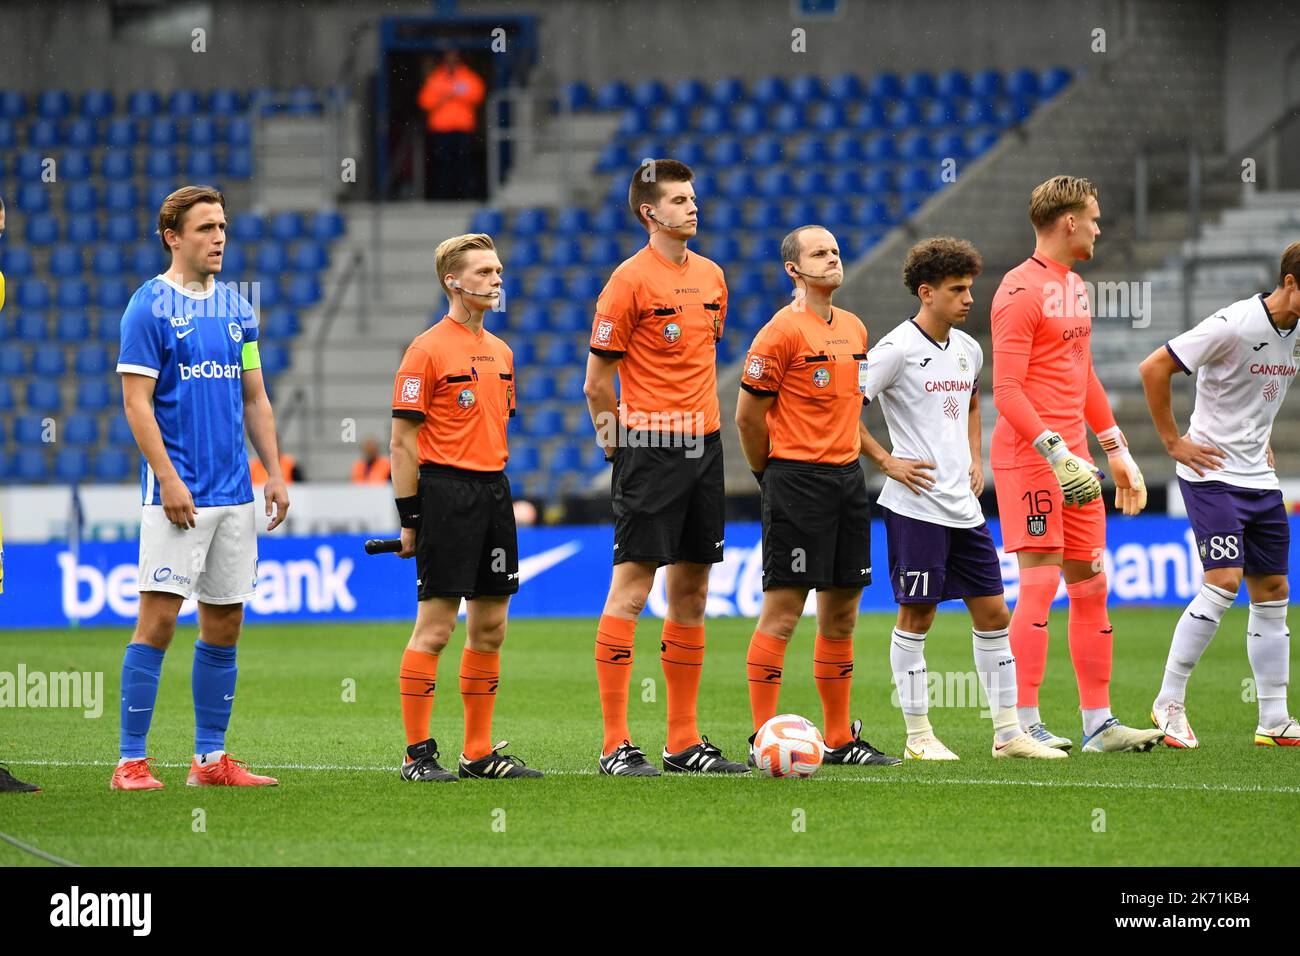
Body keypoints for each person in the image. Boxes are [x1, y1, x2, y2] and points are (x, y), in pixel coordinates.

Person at [111, 185, 289, 791]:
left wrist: (274, 471)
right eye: (206, 228)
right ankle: (130, 761)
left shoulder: (239, 309)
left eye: (222, 226)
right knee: (157, 623)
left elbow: (255, 396)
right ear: (173, 236)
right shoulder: (148, 308)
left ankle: (209, 762)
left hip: (236, 495)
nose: (219, 238)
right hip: (178, 498)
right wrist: (167, 478)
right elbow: (136, 402)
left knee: (224, 625)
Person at [860, 237, 1065, 760]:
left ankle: (1007, 735)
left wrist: (975, 457)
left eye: (970, 288)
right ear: (926, 293)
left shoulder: (969, 349)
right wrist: (886, 462)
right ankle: (919, 738)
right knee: (918, 617)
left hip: (963, 506)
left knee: (994, 613)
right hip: (916, 505)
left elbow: (973, 402)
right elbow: (842, 408)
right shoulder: (894, 349)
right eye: (957, 290)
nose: (969, 298)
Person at [990, 175, 1163, 753]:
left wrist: (1117, 451)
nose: (1098, 226)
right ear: (1068, 223)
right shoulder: (1018, 291)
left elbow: (1082, 373)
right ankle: (1020, 726)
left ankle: (1099, 723)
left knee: (1090, 585)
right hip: (1031, 458)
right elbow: (1008, 390)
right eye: (1093, 217)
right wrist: (1055, 451)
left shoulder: (1075, 288)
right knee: (1038, 585)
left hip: (1076, 462)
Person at [584, 158, 745, 776]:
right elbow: (597, 381)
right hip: (648, 448)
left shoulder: (712, 276)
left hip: (704, 446)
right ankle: (615, 745)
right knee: (632, 590)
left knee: (693, 591)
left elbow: (703, 356)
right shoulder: (627, 282)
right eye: (678, 200)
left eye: (693, 197)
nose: (692, 207)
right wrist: (614, 444)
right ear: (649, 213)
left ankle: (682, 742)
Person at [735, 225, 900, 768]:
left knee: (843, 616)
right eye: (819, 253)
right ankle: (764, 733)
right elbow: (747, 416)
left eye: (835, 250)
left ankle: (839, 738)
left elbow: (852, 411)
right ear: (794, 270)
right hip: (795, 481)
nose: (832, 259)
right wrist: (770, 473)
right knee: (784, 613)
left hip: (847, 482)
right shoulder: (778, 333)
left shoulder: (854, 328)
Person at [389, 233, 541, 781]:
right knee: (435, 628)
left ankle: (478, 754)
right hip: (445, 494)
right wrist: (410, 517)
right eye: (484, 272)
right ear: (453, 281)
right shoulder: (426, 350)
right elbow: (402, 442)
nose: (496, 279)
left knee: (492, 626)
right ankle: (416, 755)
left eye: (498, 270)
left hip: (493, 492)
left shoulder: (502, 352)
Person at [1139, 240, 1300, 748]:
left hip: (1259, 478)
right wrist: (1172, 442)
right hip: (1210, 473)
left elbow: (1258, 392)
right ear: (1290, 283)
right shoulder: (1233, 323)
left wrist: (1262, 435)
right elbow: (1153, 367)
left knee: (1273, 591)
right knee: (1225, 580)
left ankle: (1273, 719)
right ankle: (1169, 701)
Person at [416, 51, 486, 200]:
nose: (451, 63)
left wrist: (456, 95)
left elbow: (478, 94)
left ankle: (467, 196)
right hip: (442, 130)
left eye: (454, 59)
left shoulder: (467, 77)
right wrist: (445, 96)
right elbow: (425, 101)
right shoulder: (436, 78)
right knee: (443, 165)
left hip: (463, 128)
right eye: (449, 60)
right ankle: (443, 197)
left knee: (464, 164)